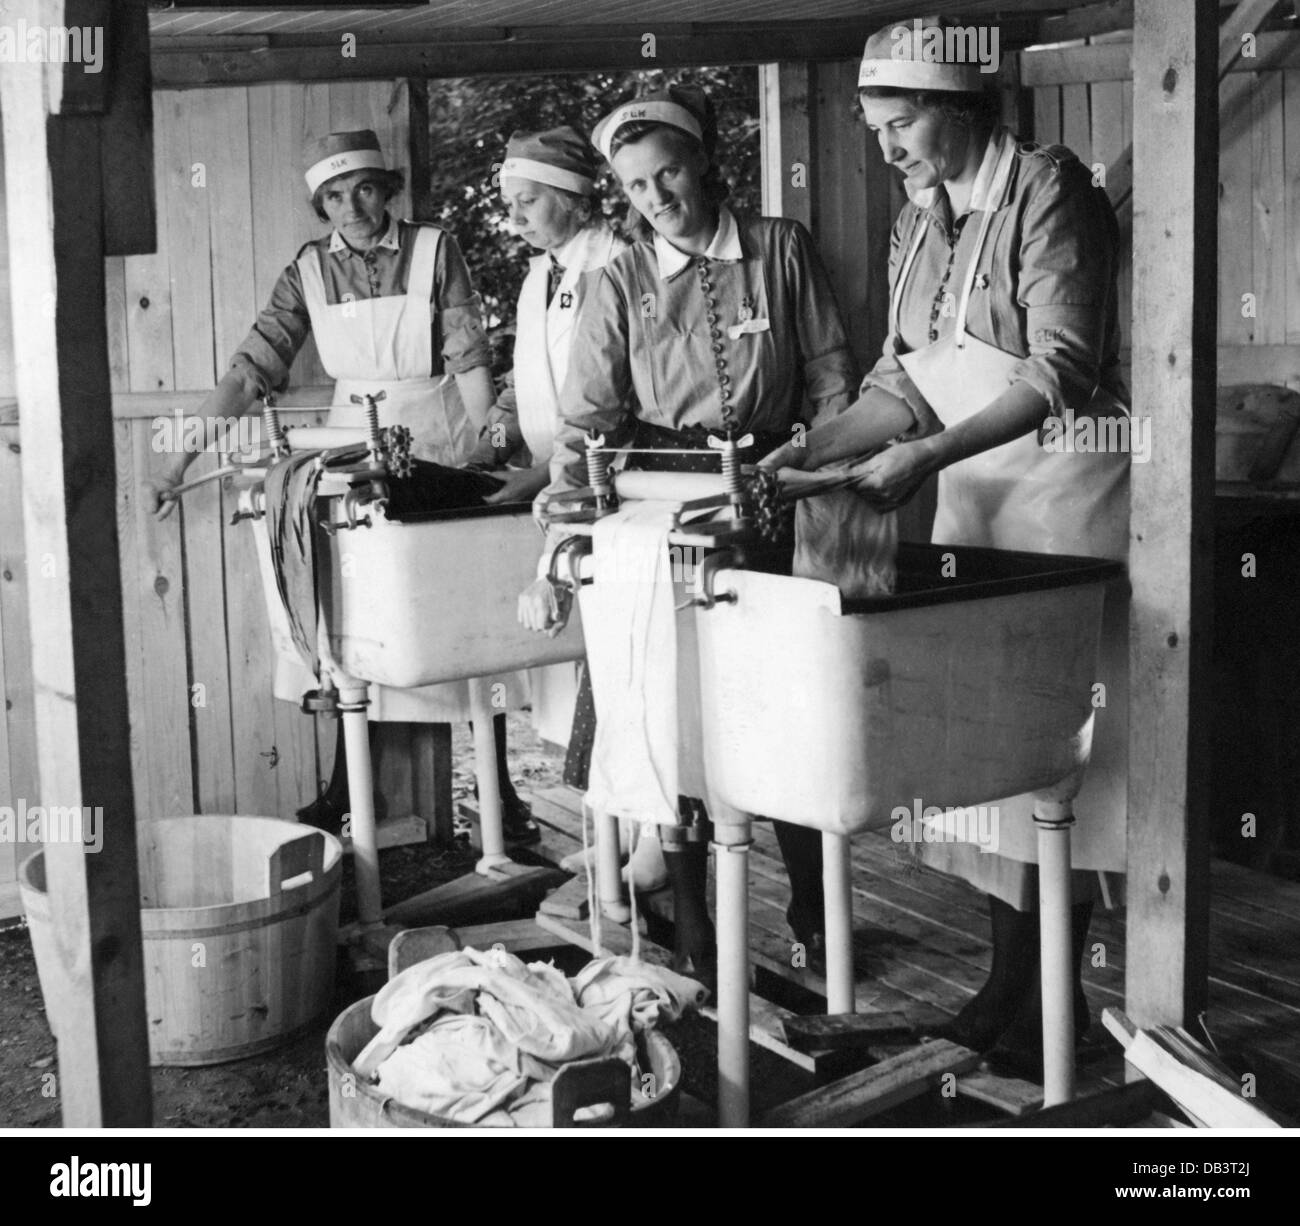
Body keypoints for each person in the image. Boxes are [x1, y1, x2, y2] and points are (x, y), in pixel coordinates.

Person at [764, 17, 1131, 1075]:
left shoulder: (1048, 189)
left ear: (965, 104)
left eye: (903, 122)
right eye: (874, 128)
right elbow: (901, 381)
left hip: (1064, 498)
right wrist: (803, 452)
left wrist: (922, 456)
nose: (887, 147)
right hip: (969, 492)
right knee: (988, 754)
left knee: (1060, 760)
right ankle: (1006, 996)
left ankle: (1033, 1001)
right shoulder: (919, 218)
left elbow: (1056, 368)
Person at [527, 85, 862, 985]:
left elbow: (831, 373)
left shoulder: (780, 249)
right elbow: (585, 419)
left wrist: (825, 478)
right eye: (635, 186)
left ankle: (814, 912)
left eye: (667, 171)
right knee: (669, 706)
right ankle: (692, 919)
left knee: (785, 706)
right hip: (660, 512)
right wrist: (564, 525)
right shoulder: (618, 282)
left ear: (704, 161)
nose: (656, 197)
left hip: (778, 492)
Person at [144, 129, 539, 842]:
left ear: (386, 190)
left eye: (363, 188)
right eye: (333, 195)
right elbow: (250, 369)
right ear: (320, 205)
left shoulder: (433, 248)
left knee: (461, 610)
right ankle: (341, 786)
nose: (351, 206)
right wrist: (179, 459)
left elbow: (468, 352)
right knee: (351, 606)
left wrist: (489, 448)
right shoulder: (308, 269)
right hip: (346, 443)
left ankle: (499, 788)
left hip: (438, 436)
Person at [464, 126, 628, 752]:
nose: (513, 216)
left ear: (576, 199)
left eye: (527, 200)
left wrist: (538, 478)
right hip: (554, 486)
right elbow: (523, 384)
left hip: (606, 489)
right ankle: (603, 826)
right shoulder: (542, 275)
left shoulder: (615, 267)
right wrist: (486, 452)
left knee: (616, 660)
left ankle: (646, 841)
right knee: (570, 669)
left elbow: (615, 405)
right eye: (509, 201)